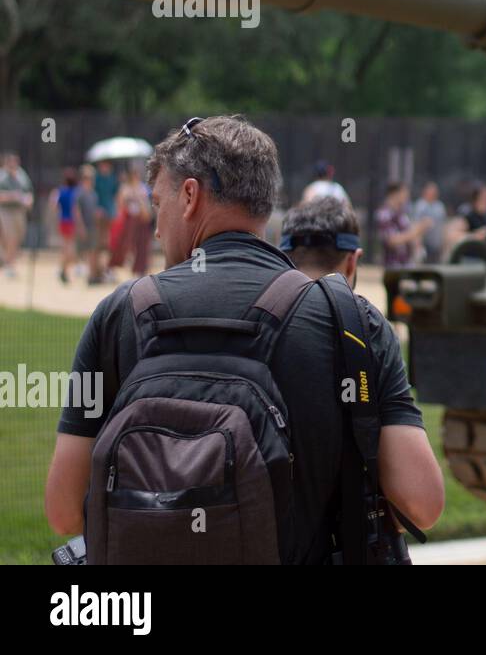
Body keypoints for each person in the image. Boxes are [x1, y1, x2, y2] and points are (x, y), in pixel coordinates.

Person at [45, 115, 443, 562]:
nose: (156, 229)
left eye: (159, 204)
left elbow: (63, 511)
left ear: (190, 196)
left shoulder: (116, 315)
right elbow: (422, 503)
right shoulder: (350, 320)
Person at [374, 181, 430, 268]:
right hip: (392, 266)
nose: (406, 196)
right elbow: (391, 240)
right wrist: (416, 231)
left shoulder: (402, 214)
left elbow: (410, 236)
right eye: (404, 193)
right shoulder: (384, 214)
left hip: (407, 265)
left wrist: (418, 234)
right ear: (394, 194)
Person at [109, 167, 152, 278]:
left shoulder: (142, 188)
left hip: (140, 219)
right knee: (121, 244)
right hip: (128, 219)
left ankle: (140, 269)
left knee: (141, 245)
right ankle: (113, 267)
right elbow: (120, 203)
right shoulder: (125, 188)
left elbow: (146, 205)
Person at [0, 151, 34, 277]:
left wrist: (29, 200)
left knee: (18, 237)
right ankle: (9, 264)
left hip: (20, 211)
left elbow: (28, 190)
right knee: (10, 237)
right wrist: (13, 196)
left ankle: (9, 260)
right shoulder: (2, 177)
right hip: (6, 211)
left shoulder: (21, 175)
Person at [451, 182, 486, 250]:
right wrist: (474, 236)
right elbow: (453, 235)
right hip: (470, 255)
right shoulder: (468, 213)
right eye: (484, 196)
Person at [90, 159, 119, 284]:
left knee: (106, 245)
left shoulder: (112, 179)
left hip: (109, 214)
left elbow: (115, 196)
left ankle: (102, 272)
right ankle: (95, 273)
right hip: (99, 215)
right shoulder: (96, 179)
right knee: (97, 245)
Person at [50, 168, 80, 284]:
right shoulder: (75, 192)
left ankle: (63, 269)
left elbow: (54, 205)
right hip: (71, 222)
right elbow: (75, 209)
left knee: (65, 246)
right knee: (70, 247)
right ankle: (64, 269)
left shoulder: (60, 191)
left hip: (63, 220)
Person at [411, 181, 447, 262]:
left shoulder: (440, 206)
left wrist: (444, 243)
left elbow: (443, 225)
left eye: (434, 191)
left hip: (437, 244)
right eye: (431, 191)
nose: (433, 193)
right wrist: (418, 245)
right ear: (425, 192)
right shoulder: (420, 206)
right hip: (424, 244)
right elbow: (415, 225)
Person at [75, 165, 98, 279]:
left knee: (92, 250)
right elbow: (77, 211)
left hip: (92, 226)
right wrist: (80, 226)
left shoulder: (93, 193)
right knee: (81, 250)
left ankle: (92, 274)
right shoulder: (80, 193)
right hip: (84, 226)